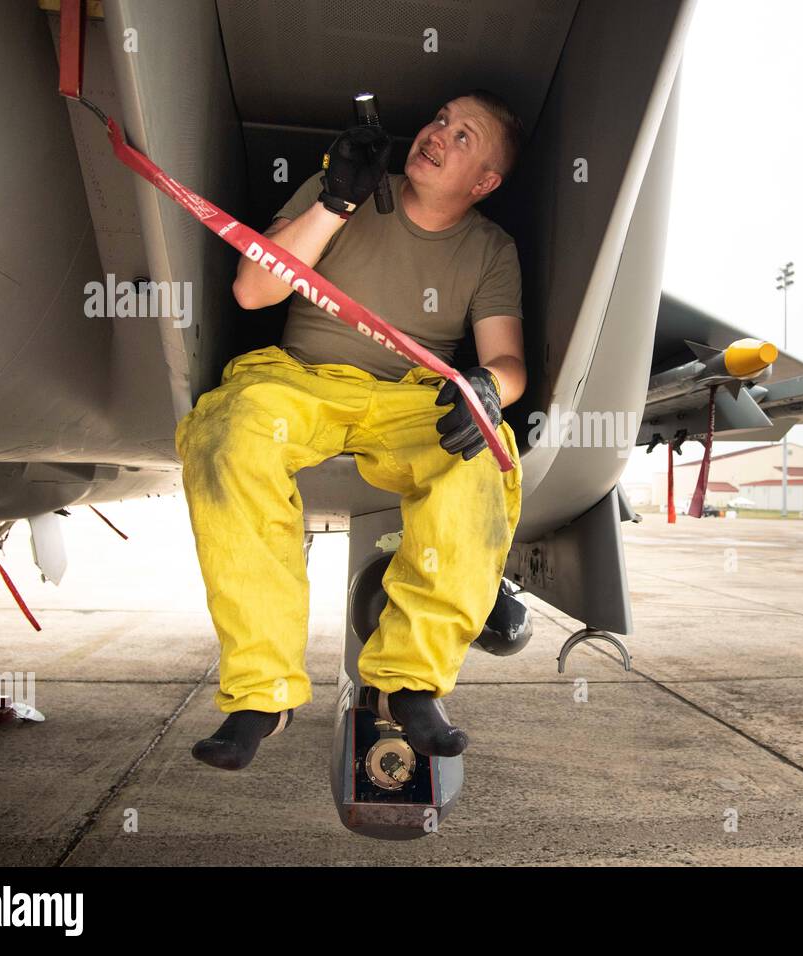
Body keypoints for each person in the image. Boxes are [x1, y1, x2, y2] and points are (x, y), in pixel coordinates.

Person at [176, 91, 527, 770]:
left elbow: (507, 361)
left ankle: (410, 682)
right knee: (227, 436)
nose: (437, 136)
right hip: (299, 379)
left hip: (406, 399)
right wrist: (334, 201)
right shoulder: (344, 183)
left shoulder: (489, 249)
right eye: (441, 121)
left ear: (484, 182)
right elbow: (254, 290)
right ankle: (261, 694)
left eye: (463, 138)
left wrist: (487, 388)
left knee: (483, 458)